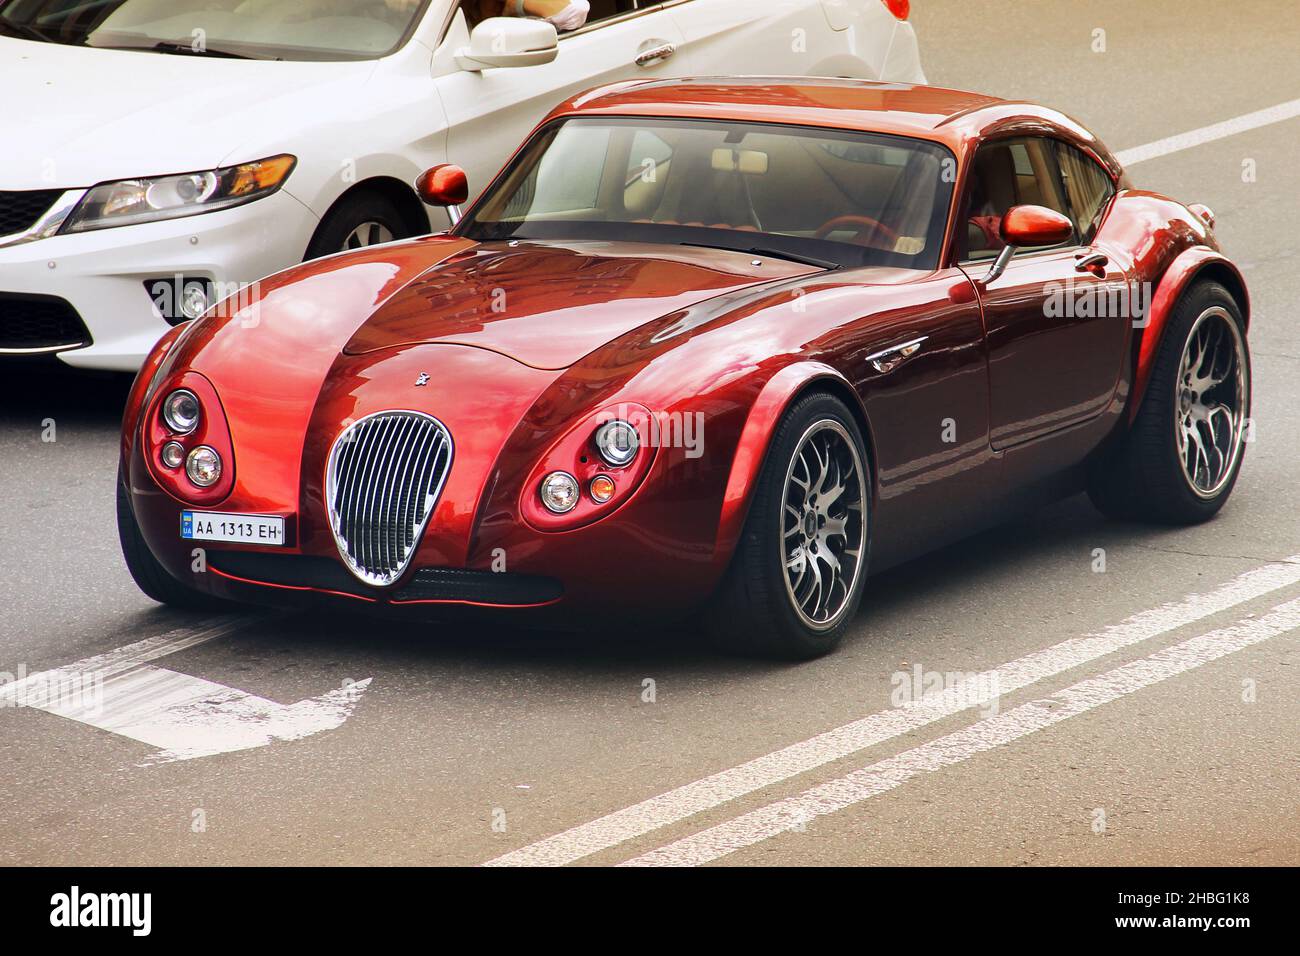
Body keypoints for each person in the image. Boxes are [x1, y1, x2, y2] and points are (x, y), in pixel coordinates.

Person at [465, 0, 590, 32]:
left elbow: (576, 10)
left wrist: (514, 5)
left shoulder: (530, 20)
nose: (500, 4)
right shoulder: (453, 26)